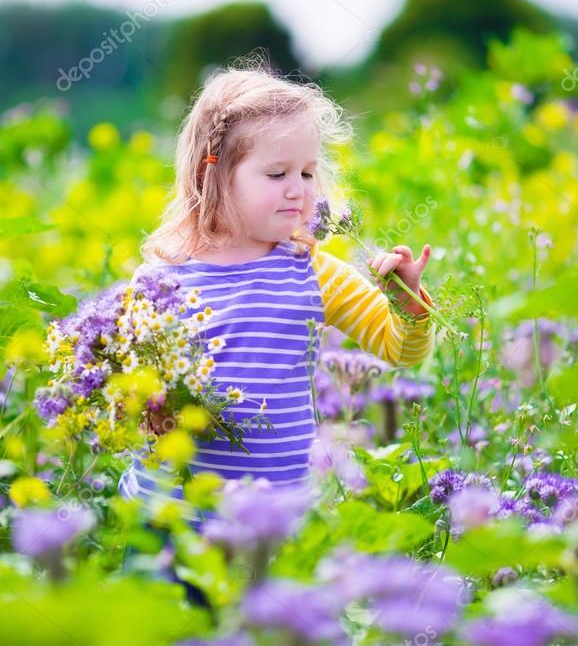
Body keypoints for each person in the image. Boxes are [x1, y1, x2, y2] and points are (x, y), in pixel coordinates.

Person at [117, 62, 440, 605]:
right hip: (170, 520)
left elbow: (398, 348)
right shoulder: (162, 278)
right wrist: (141, 401)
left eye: (308, 173)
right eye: (277, 174)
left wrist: (406, 303)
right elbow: (122, 379)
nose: (299, 191)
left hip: (277, 522)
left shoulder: (310, 270)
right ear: (211, 174)